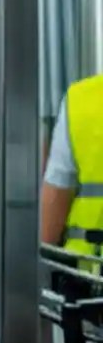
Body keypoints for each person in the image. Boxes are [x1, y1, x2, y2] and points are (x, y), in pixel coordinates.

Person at [40, 72, 103, 260]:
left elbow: (54, 203)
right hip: (84, 273)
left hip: (85, 271)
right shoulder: (80, 99)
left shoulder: (82, 99)